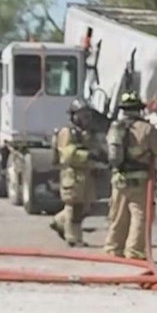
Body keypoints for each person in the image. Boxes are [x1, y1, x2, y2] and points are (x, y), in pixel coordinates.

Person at [104, 91, 157, 260]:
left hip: (118, 179)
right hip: (140, 181)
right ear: (139, 110)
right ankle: (134, 252)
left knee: (118, 215)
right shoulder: (147, 129)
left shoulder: (115, 128)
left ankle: (113, 249)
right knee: (140, 216)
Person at [51, 98, 108, 247]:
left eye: (87, 115)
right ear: (73, 116)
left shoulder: (87, 133)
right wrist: (88, 155)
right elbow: (68, 154)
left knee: (85, 207)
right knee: (74, 207)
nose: (85, 119)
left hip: (87, 173)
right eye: (82, 115)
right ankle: (74, 238)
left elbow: (96, 147)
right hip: (73, 173)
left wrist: (101, 155)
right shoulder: (67, 132)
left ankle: (58, 221)